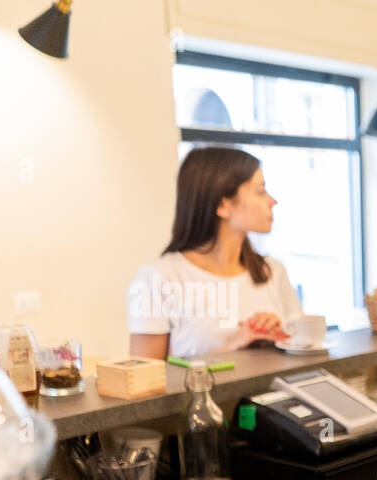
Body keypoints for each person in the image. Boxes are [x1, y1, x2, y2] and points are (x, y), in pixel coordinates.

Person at [128, 147, 301, 359]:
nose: (272, 201)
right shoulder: (157, 279)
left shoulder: (272, 271)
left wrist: (279, 334)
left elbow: (302, 349)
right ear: (222, 205)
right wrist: (234, 344)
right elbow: (145, 381)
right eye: (260, 191)